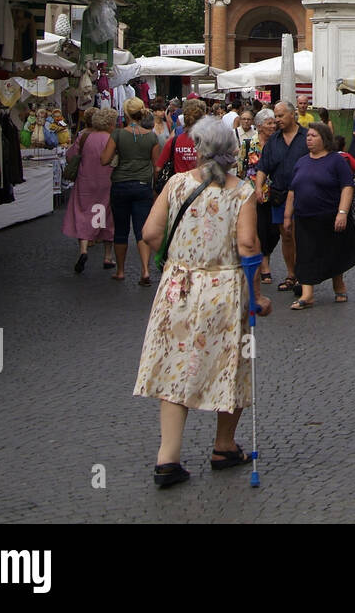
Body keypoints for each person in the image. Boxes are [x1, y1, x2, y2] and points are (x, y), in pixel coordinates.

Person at [133, 118, 266, 488]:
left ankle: (168, 458)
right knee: (230, 364)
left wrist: (177, 260)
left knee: (175, 365)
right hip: (223, 286)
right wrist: (257, 296)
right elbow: (247, 246)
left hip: (178, 284)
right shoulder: (241, 192)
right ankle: (224, 446)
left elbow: (149, 233)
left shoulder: (176, 184)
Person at [284, 122, 355, 309]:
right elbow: (292, 191)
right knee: (306, 255)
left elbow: (347, 187)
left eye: (313, 136)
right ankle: (307, 294)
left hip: (329, 216)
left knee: (334, 253)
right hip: (304, 218)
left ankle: (338, 284)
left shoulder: (336, 161)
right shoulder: (301, 161)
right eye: (308, 135)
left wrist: (342, 212)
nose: (308, 138)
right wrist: (287, 216)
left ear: (324, 139)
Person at [101, 97, 160, 284]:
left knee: (121, 229)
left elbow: (104, 159)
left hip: (121, 184)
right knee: (142, 229)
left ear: (125, 113)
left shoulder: (117, 135)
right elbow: (156, 166)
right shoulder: (151, 136)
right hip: (143, 185)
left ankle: (120, 271)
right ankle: (144, 270)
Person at [254, 101, 309, 296]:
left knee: (300, 234)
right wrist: (258, 187)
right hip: (280, 194)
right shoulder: (274, 141)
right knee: (286, 234)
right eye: (275, 117)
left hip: (304, 194)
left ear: (292, 115)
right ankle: (291, 274)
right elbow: (263, 166)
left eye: (280, 116)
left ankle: (305, 275)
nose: (277, 120)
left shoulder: (306, 137)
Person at [64, 107, 117, 273]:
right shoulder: (112, 138)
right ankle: (108, 256)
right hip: (107, 181)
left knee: (84, 213)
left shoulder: (84, 136)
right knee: (108, 216)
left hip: (85, 181)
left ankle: (84, 250)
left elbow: (70, 156)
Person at [245, 109, 278, 285]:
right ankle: (265, 266)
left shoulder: (278, 143)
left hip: (276, 191)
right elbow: (243, 169)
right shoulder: (249, 144)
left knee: (275, 231)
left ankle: (266, 256)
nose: (273, 126)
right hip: (254, 193)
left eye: (274, 122)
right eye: (269, 123)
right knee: (261, 229)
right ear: (259, 126)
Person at [156, 99, 207, 177]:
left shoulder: (174, 139)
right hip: (202, 185)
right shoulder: (210, 141)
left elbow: (158, 168)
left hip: (179, 185)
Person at [234, 109, 259, 175]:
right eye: (244, 119)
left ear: (252, 121)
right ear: (240, 120)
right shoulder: (233, 133)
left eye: (248, 119)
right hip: (236, 168)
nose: (246, 121)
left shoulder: (256, 134)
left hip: (251, 169)